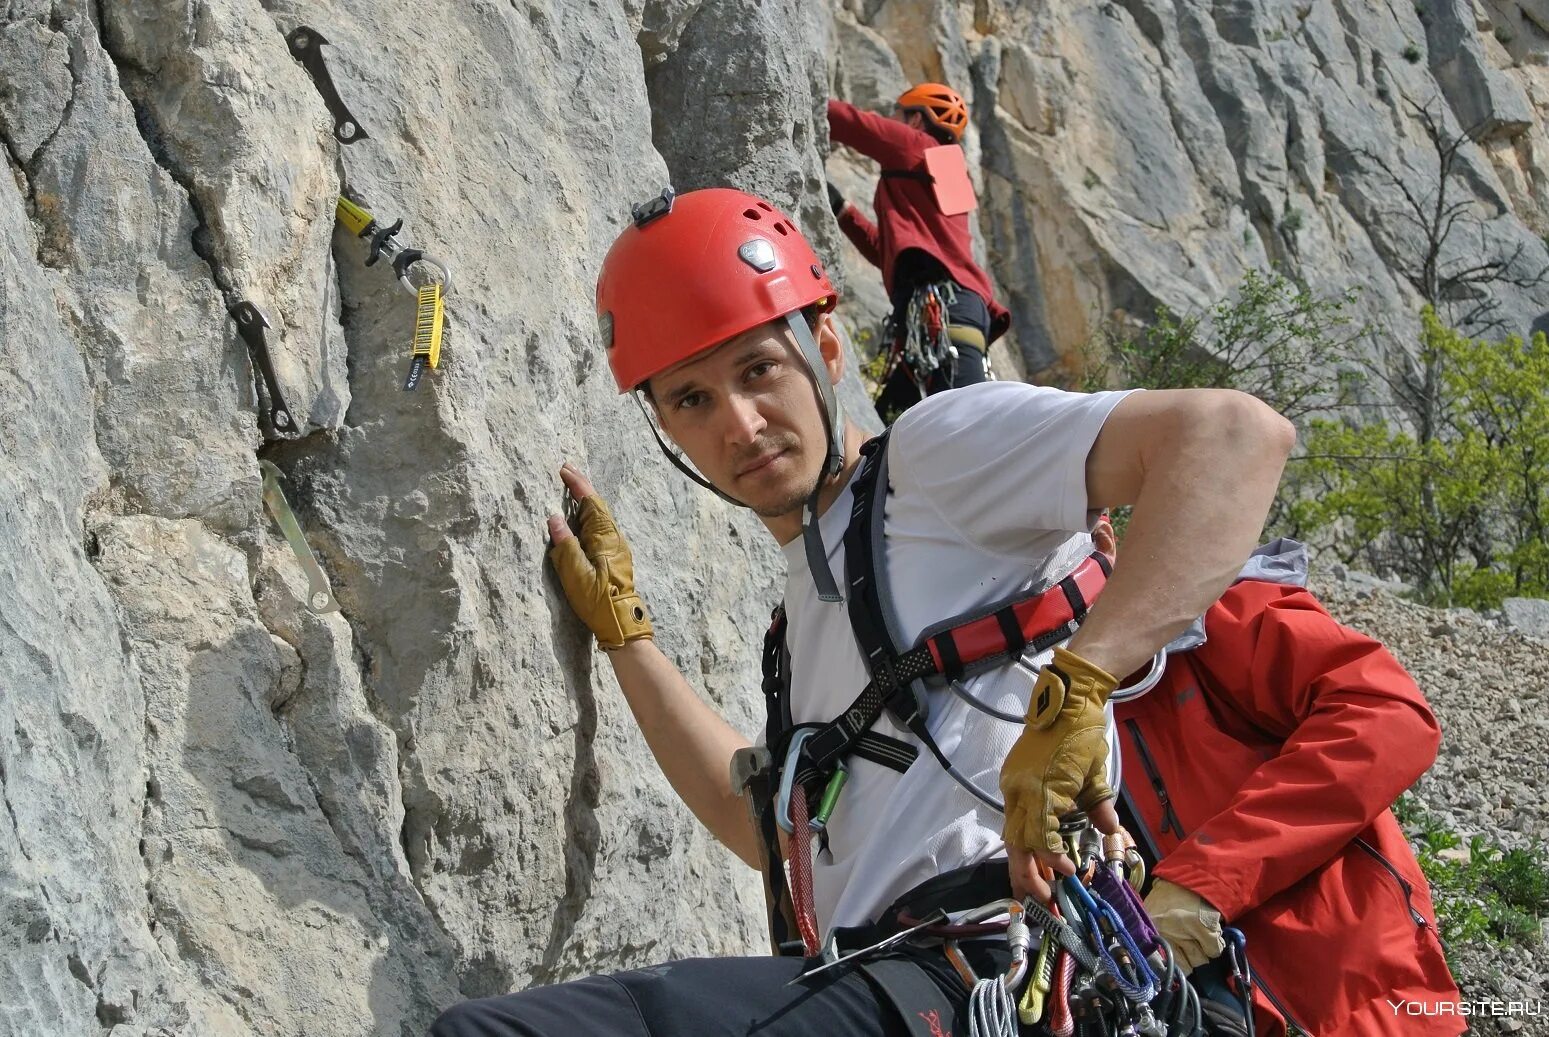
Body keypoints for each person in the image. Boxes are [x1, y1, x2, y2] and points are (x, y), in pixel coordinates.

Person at [428, 186, 1294, 1036]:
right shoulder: (805, 612)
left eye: (758, 368)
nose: (740, 423)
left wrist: (1080, 683)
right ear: (664, 428)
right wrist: (626, 639)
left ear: (828, 347)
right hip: (898, 980)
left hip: (984, 973)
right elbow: (766, 834)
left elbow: (1233, 438)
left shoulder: (932, 458)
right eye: (692, 399)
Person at [1087, 517, 1464, 1036]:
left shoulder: (1213, 610)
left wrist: (1207, 880)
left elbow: (1386, 715)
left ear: (1100, 544)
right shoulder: (1000, 696)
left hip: (1349, 1005)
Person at [828, 84, 1010, 422]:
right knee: (887, 433)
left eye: (897, 114)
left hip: (943, 313)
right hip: (949, 315)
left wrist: (798, 95)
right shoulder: (947, 171)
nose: (891, 121)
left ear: (915, 120)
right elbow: (897, 250)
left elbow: (852, 124)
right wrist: (842, 209)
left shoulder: (919, 146)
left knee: (957, 429)